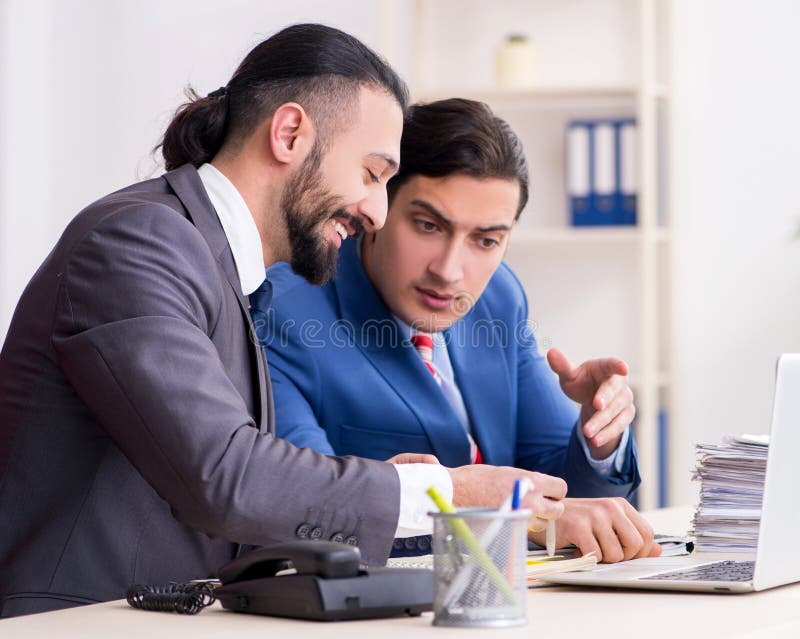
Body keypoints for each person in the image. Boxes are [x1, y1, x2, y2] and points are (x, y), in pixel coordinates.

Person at [0, 26, 568, 618]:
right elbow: (224, 477)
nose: (377, 211)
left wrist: (372, 487)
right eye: (373, 174)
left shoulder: (219, 263)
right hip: (72, 622)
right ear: (290, 134)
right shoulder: (140, 241)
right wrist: (447, 494)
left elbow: (239, 490)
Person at [262, 98, 661, 562]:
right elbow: (302, 512)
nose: (450, 271)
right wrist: (528, 520)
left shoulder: (498, 298)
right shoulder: (285, 309)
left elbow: (566, 490)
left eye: (486, 240)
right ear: (380, 200)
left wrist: (600, 433)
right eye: (428, 225)